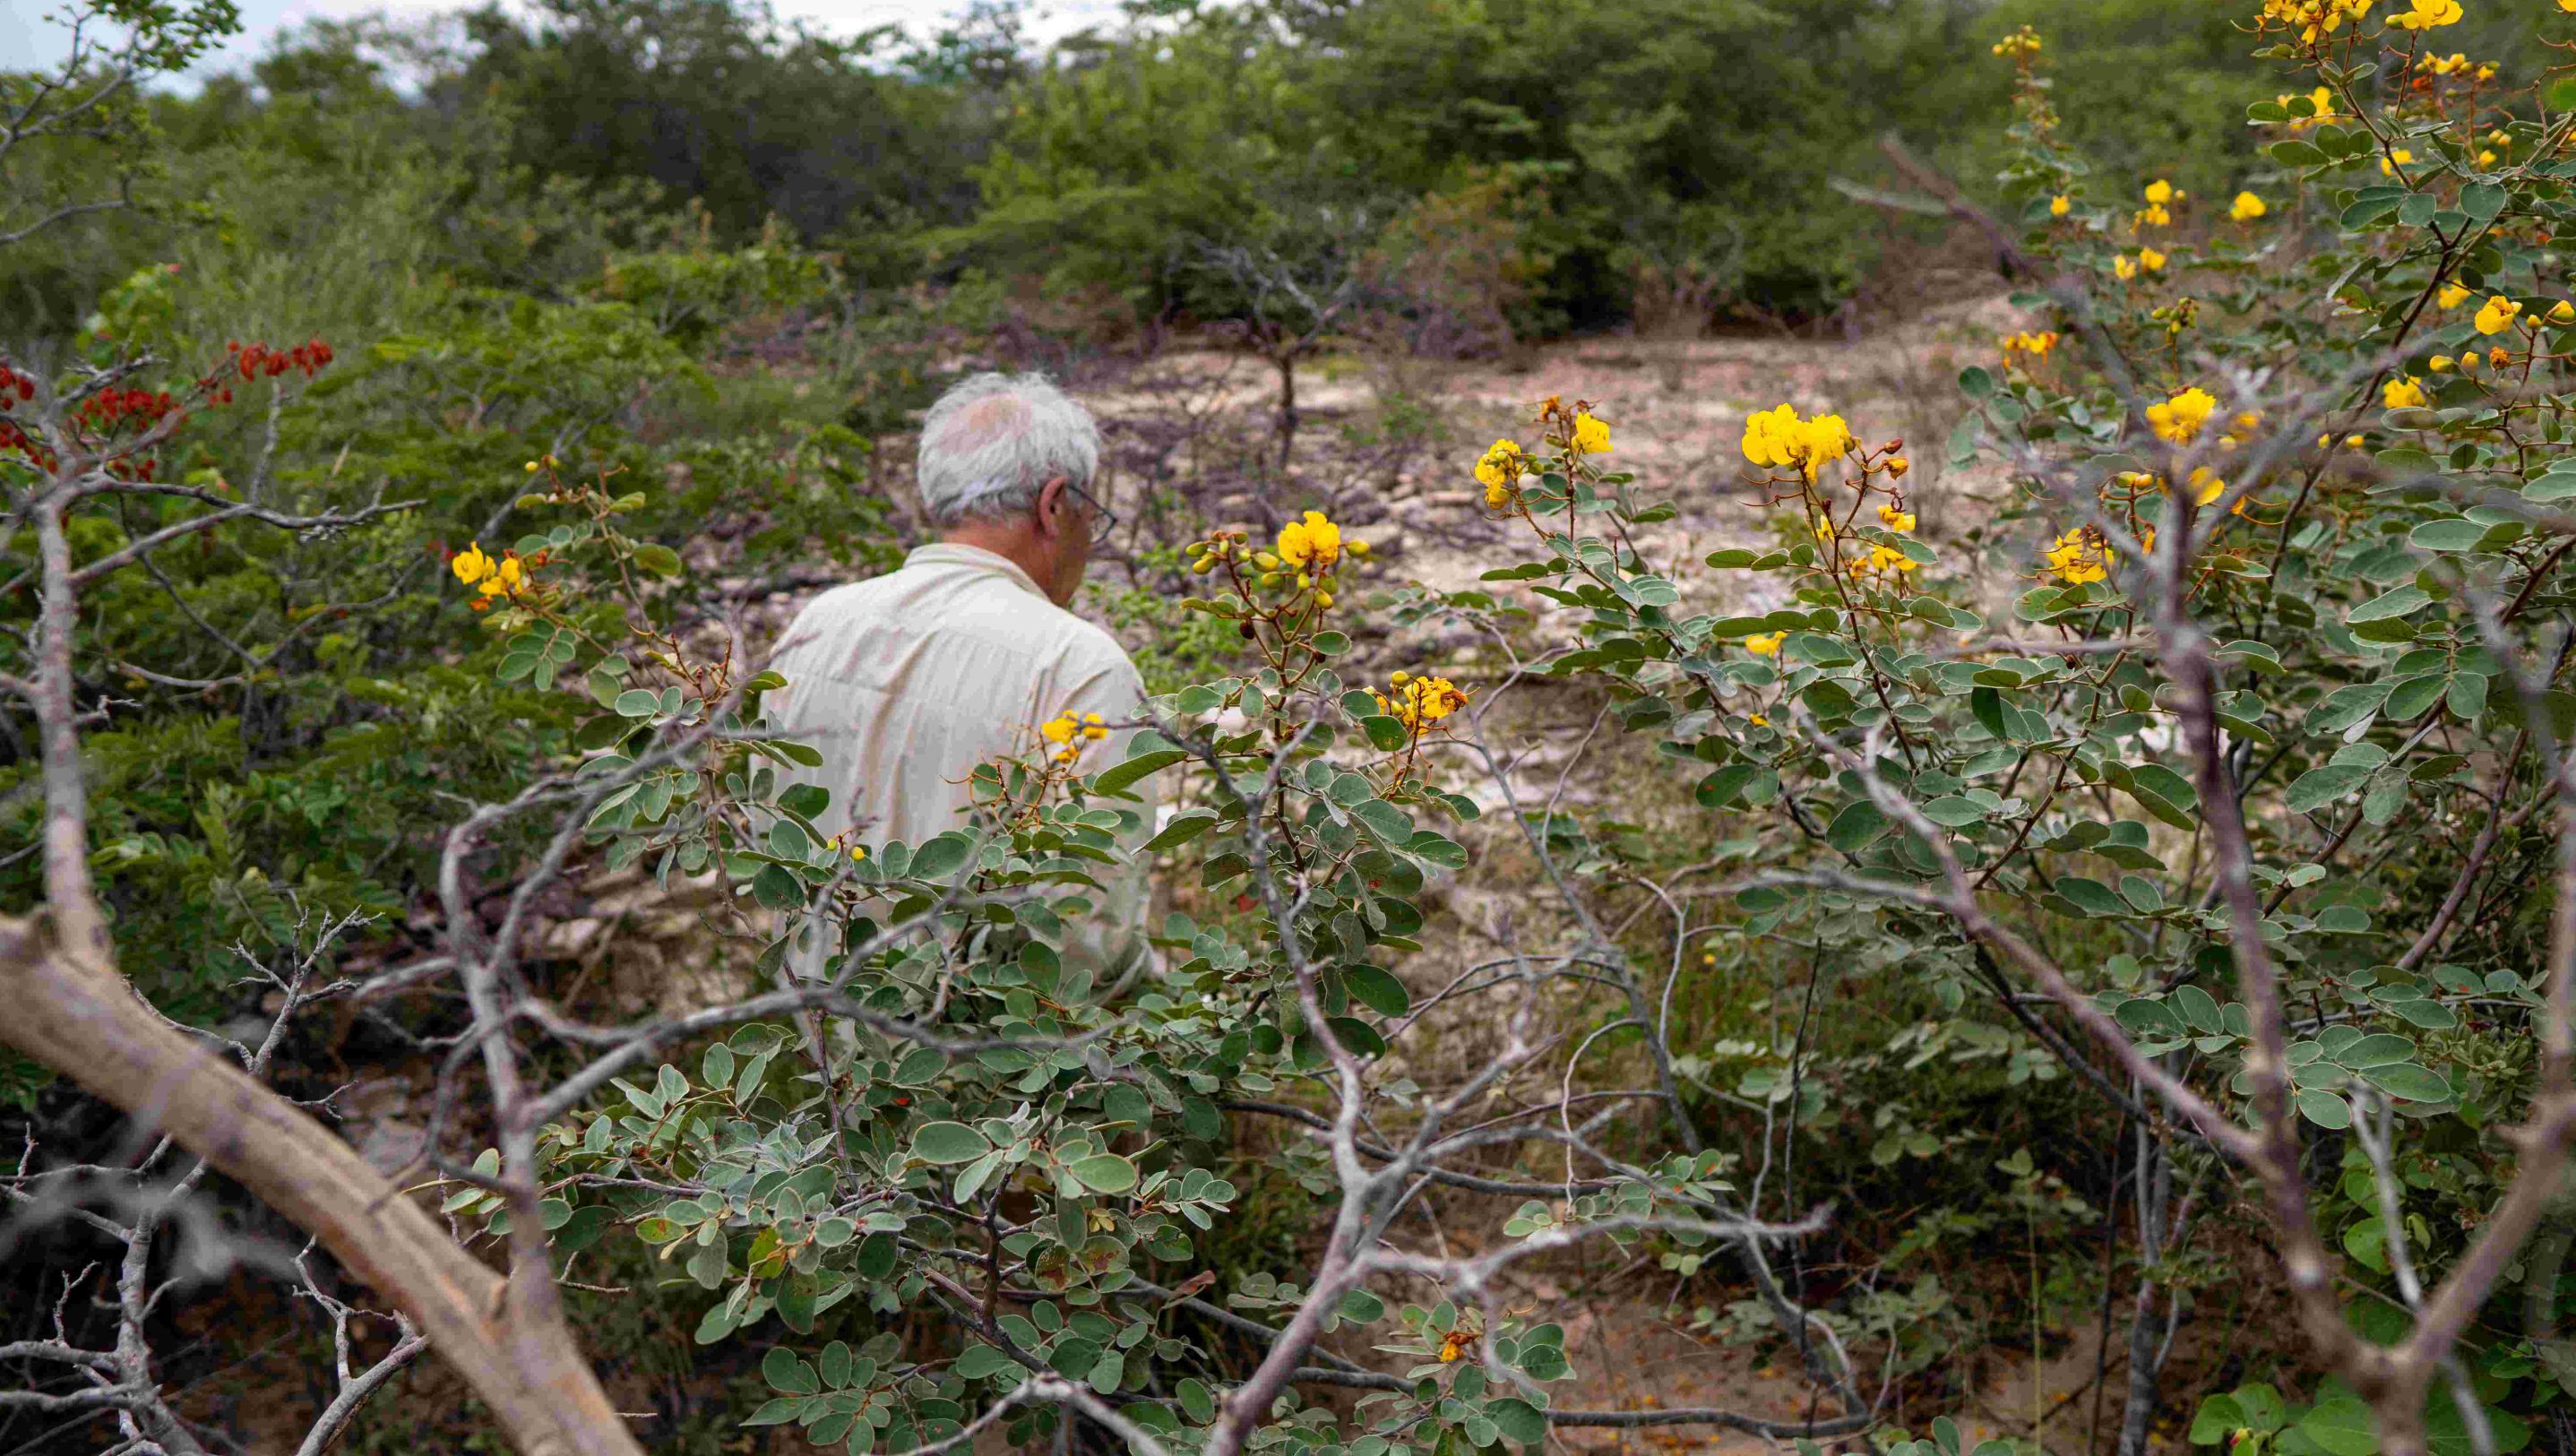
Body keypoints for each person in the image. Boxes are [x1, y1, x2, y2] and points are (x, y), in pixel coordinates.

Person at [764, 372, 1154, 983]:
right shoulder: (1078, 665)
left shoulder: (813, 626)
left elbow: (769, 842)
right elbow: (1090, 929)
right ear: (1054, 505)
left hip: (826, 1040)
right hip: (1002, 1062)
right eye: (1090, 516)